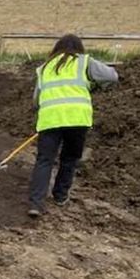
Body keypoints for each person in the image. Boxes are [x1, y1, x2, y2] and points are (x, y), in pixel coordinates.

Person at [27, 34, 118, 217]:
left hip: (50, 119)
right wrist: (94, 86)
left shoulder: (44, 67)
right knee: (69, 158)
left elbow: (36, 99)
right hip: (78, 118)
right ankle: (60, 196)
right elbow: (112, 76)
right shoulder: (84, 62)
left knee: (44, 160)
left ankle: (36, 204)